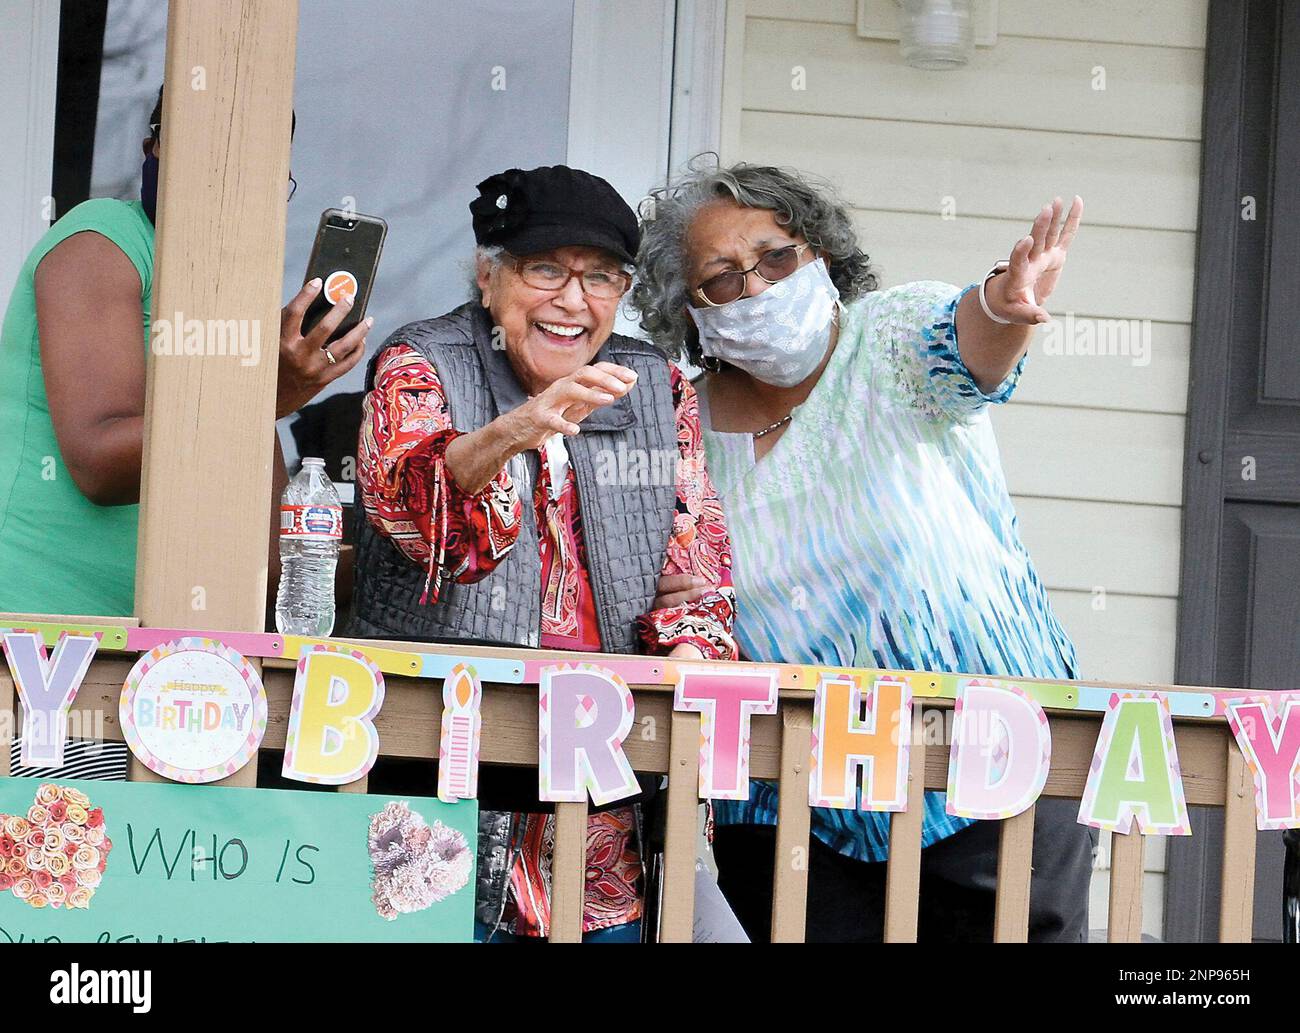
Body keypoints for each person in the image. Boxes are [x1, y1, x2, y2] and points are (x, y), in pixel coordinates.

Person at [632, 160, 1095, 942]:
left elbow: (972, 340)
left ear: (819, 254)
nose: (758, 288)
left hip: (988, 768)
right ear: (689, 311)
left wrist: (1005, 306)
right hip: (789, 799)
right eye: (721, 277)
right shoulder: (675, 423)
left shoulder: (891, 339)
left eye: (777, 257)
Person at [351, 165, 737, 941]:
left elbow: (695, 578)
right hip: (433, 803)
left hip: (598, 822)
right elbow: (423, 530)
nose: (574, 300)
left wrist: (689, 669)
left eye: (601, 277)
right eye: (546, 270)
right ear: (488, 277)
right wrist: (511, 433)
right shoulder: (422, 363)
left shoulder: (656, 386)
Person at [0, 85, 366, 620]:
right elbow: (100, 467)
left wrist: (402, 554)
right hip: (36, 626)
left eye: (259, 165)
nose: (228, 175)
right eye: (204, 148)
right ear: (154, 150)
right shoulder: (103, 238)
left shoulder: (232, 304)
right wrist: (264, 396)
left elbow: (264, 569)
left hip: (161, 653)